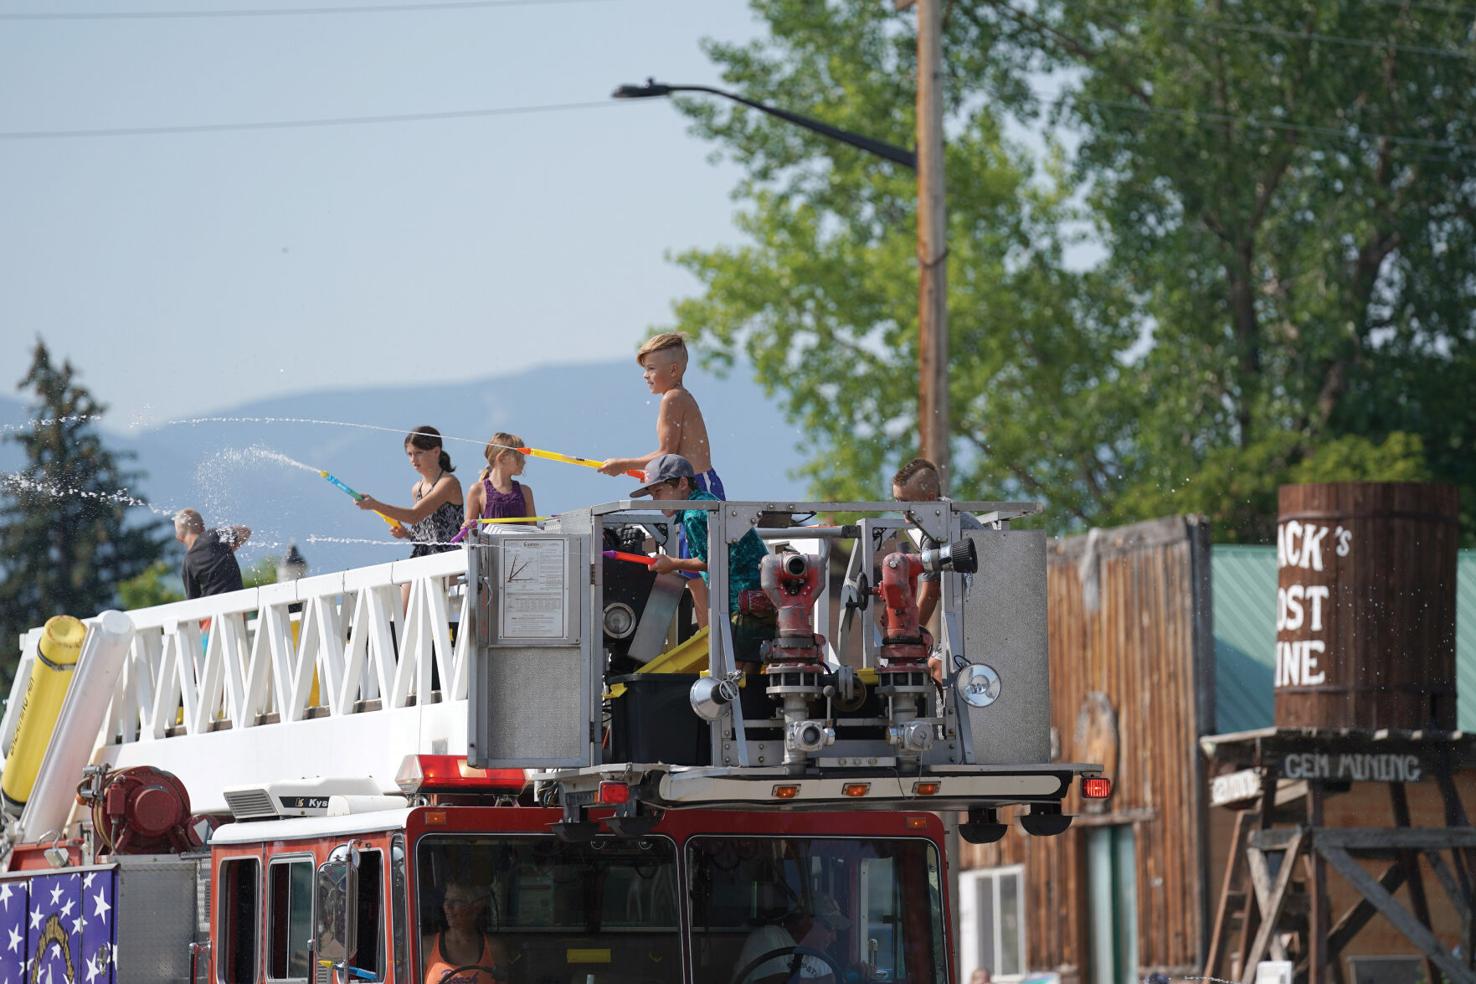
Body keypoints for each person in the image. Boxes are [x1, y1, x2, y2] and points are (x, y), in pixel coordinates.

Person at [600, 333, 723, 617]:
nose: (645, 375)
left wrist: (622, 464)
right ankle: (709, 637)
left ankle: (712, 638)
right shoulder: (675, 397)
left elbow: (666, 452)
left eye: (651, 368)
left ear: (674, 370)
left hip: (697, 487)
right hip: (692, 485)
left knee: (701, 571)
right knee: (696, 574)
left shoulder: (673, 398)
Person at [634, 454, 772, 665]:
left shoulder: (694, 515)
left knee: (737, 669)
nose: (655, 501)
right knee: (752, 668)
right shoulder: (707, 501)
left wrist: (672, 563)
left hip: (742, 603)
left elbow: (711, 560)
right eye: (652, 495)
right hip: (759, 597)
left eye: (659, 491)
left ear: (682, 483)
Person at [356, 425, 465, 557]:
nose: (413, 459)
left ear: (436, 451)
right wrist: (406, 534)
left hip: (449, 559)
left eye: (419, 453)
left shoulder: (448, 483)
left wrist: (374, 505)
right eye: (410, 454)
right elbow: (425, 537)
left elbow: (414, 516)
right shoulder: (416, 489)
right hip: (423, 559)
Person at [733, 898, 849, 984]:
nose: (834, 938)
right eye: (830, 928)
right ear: (806, 921)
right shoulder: (768, 936)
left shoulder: (822, 962)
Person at [421, 881, 510, 984]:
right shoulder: (426, 946)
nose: (447, 906)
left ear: (476, 907)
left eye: (456, 901)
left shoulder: (493, 949)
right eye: (446, 900)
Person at [461, 432, 536, 535]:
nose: (524, 461)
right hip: (493, 546)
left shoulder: (526, 492)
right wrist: (466, 529)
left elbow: (534, 533)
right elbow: (469, 535)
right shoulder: (478, 490)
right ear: (503, 458)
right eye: (520, 455)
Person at [174, 508, 250, 599]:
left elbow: (193, 601)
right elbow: (245, 531)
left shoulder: (187, 562)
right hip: (237, 601)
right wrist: (228, 548)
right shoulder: (214, 535)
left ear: (179, 537)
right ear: (202, 527)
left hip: (212, 606)